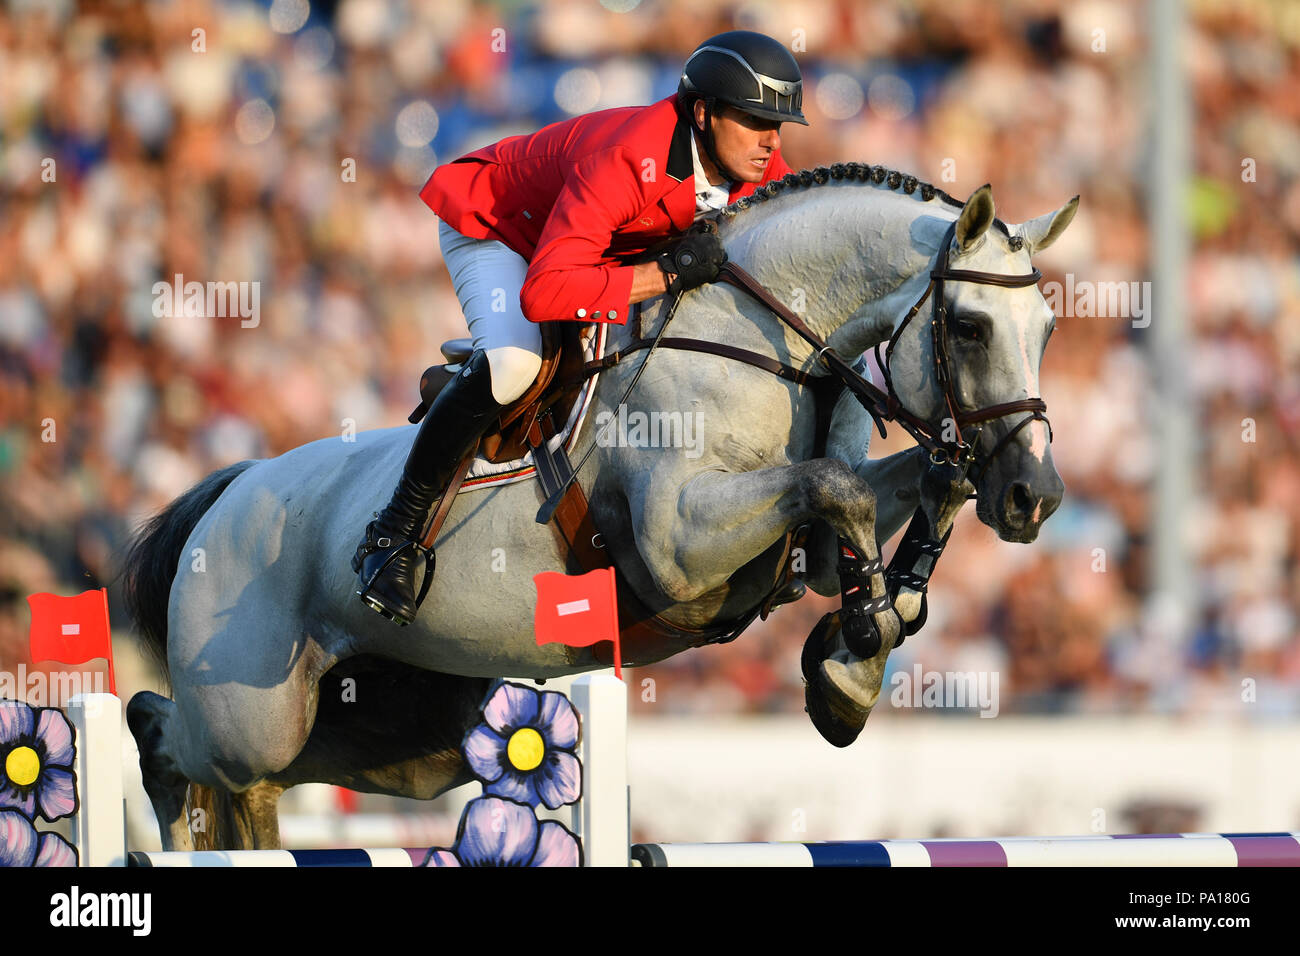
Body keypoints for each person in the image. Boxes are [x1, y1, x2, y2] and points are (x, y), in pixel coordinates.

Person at [354, 30, 808, 624]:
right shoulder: (626, 156)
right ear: (703, 113)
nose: (770, 142)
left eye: (777, 125)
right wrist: (666, 272)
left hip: (591, 250)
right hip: (499, 228)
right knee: (514, 363)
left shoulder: (754, 159)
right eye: (753, 121)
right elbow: (546, 292)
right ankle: (392, 534)